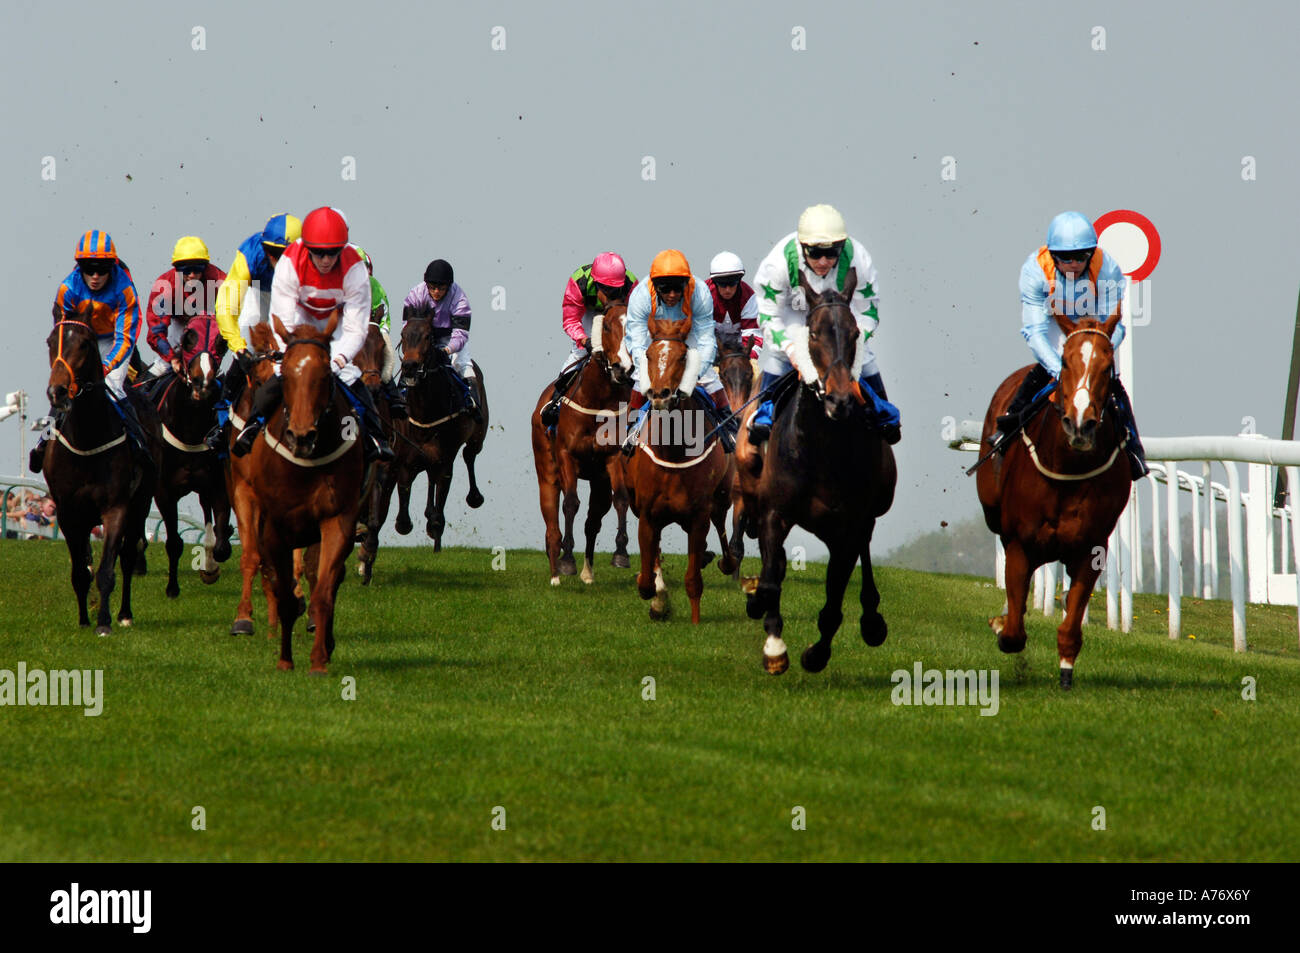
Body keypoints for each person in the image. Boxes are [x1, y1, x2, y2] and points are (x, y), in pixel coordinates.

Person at [231, 206, 393, 462]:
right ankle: (252, 426)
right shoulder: (289, 262)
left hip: (336, 322)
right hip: (299, 317)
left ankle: (376, 437)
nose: (326, 260)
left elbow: (356, 328)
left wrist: (337, 360)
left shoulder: (355, 269)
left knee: (350, 376)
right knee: (283, 373)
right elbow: (281, 318)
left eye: (332, 253)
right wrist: (291, 356)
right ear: (307, 247)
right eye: (319, 253)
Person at [993, 210, 1148, 478]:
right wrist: (1060, 368)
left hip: (1095, 332)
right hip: (1055, 330)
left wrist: (1098, 356)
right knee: (1041, 374)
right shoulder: (1035, 269)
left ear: (1092, 253)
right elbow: (1034, 331)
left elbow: (1115, 325)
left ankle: (1134, 451)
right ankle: (1004, 432)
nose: (1074, 263)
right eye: (1066, 257)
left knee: (1112, 383)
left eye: (1081, 256)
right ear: (1053, 255)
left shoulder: (1107, 267)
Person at [747, 204, 900, 446]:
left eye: (831, 254)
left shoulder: (859, 259)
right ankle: (762, 417)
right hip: (794, 317)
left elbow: (868, 311)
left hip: (838, 324)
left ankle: (885, 416)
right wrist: (790, 350)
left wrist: (854, 342)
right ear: (803, 247)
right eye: (816, 253)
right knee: (778, 360)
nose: (824, 261)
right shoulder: (777, 263)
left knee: (866, 359)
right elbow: (768, 316)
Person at [33, 230, 150, 472]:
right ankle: (43, 440)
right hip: (78, 339)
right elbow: (60, 332)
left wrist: (105, 366)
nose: (95, 276)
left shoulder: (124, 289)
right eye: (89, 269)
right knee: (63, 387)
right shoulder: (68, 288)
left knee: (113, 387)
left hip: (112, 340)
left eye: (102, 270)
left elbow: (125, 337)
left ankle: (139, 443)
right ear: (80, 267)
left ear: (111, 267)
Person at [620, 249, 737, 455]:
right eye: (666, 290)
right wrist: (648, 372)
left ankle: (729, 430)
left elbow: (706, 340)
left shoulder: (700, 293)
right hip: (653, 338)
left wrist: (694, 375)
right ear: (656, 287)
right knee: (640, 379)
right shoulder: (641, 295)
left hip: (688, 335)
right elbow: (636, 341)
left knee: (710, 379)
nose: (672, 295)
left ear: (686, 285)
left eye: (677, 289)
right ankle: (631, 429)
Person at [539, 252, 638, 428]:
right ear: (596, 283)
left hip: (618, 317)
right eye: (606, 290)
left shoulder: (631, 285)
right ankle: (556, 403)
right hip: (588, 314)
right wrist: (584, 340)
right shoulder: (579, 282)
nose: (610, 295)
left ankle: (640, 413)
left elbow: (637, 321)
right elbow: (570, 319)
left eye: (615, 291)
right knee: (578, 355)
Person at [401, 259, 479, 419]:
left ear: (448, 286)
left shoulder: (459, 298)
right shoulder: (416, 294)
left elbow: (461, 333)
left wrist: (447, 350)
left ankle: (473, 402)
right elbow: (407, 326)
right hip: (423, 337)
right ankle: (400, 397)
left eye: (441, 288)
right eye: (432, 287)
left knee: (463, 364)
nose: (436, 292)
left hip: (450, 337)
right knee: (410, 363)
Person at [144, 235, 227, 379]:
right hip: (178, 324)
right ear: (177, 269)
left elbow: (234, 318)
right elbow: (155, 333)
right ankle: (141, 396)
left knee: (212, 369)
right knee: (161, 367)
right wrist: (172, 358)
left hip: (208, 326)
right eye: (186, 270)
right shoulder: (165, 286)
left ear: (205, 267)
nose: (192, 275)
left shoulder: (220, 280)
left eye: (197, 269)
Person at [353, 245, 406, 419]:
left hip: (373, 330)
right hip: (347, 334)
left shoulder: (374, 286)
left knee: (387, 353)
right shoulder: (336, 286)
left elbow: (384, 314)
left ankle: (394, 397)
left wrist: (377, 330)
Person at [706, 251, 761, 361]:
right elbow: (700, 334)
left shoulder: (749, 297)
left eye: (732, 283)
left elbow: (753, 335)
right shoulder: (704, 294)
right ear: (714, 281)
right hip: (710, 347)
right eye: (722, 283)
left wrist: (746, 359)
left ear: (739, 280)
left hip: (740, 350)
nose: (728, 289)